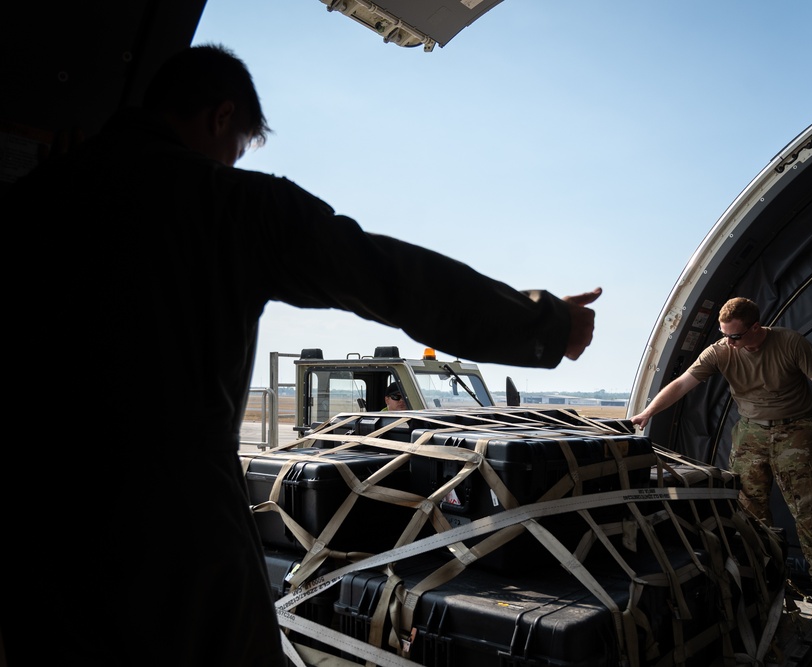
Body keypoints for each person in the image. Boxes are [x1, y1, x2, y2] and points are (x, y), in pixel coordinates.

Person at [1, 44, 601, 666]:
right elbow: (390, 276)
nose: (232, 160)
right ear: (220, 116)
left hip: (35, 536)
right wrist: (545, 324)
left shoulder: (32, 200)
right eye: (236, 144)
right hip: (175, 542)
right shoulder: (226, 203)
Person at [630, 297, 812, 601]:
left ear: (756, 327)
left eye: (735, 336)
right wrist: (649, 412)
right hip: (750, 435)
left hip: (794, 433)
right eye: (723, 334)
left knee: (809, 512)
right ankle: (763, 584)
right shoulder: (720, 351)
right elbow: (682, 383)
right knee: (748, 512)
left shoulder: (790, 344)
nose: (728, 341)